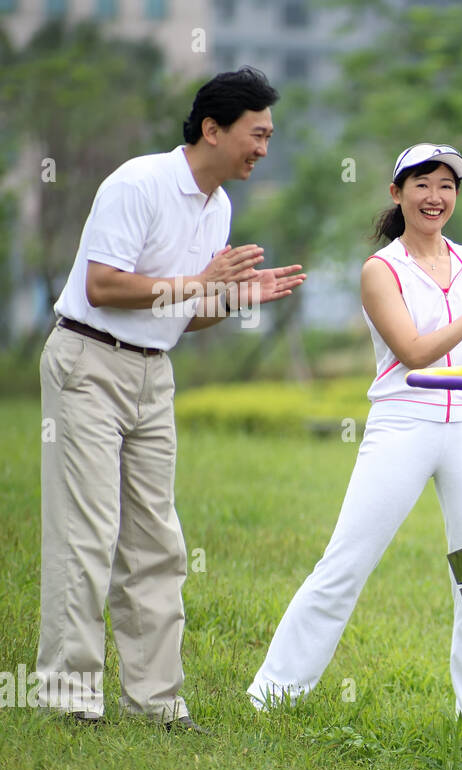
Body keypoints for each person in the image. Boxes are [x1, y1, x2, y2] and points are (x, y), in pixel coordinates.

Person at [36, 67, 305, 731]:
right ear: (212, 128)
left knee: (158, 542)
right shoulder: (140, 182)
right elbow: (103, 286)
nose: (263, 148)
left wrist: (232, 297)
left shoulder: (218, 208)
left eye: (270, 136)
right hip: (90, 361)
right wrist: (200, 279)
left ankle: (156, 702)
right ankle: (69, 696)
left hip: (154, 374)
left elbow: (190, 310)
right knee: (88, 533)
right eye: (257, 134)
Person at [247, 143, 462, 741]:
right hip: (405, 421)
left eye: (447, 186)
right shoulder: (382, 269)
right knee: (346, 561)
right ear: (397, 193)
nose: (436, 197)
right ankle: (272, 695)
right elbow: (416, 353)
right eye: (422, 184)